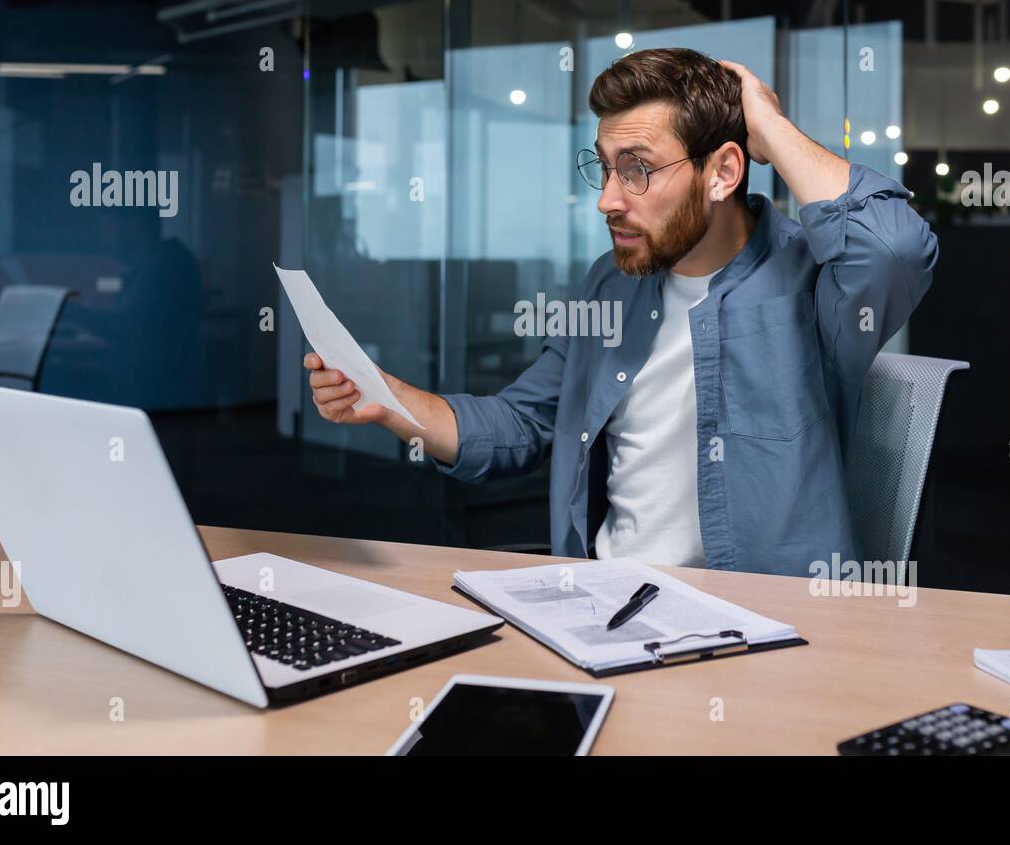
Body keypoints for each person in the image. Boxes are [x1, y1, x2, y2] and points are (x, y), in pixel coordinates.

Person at [306, 47, 938, 575]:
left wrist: (768, 126)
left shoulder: (813, 282)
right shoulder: (609, 284)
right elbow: (524, 424)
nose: (608, 200)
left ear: (722, 172)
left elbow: (896, 248)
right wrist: (385, 396)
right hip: (603, 608)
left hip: (760, 633)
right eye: (605, 169)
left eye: (636, 171)